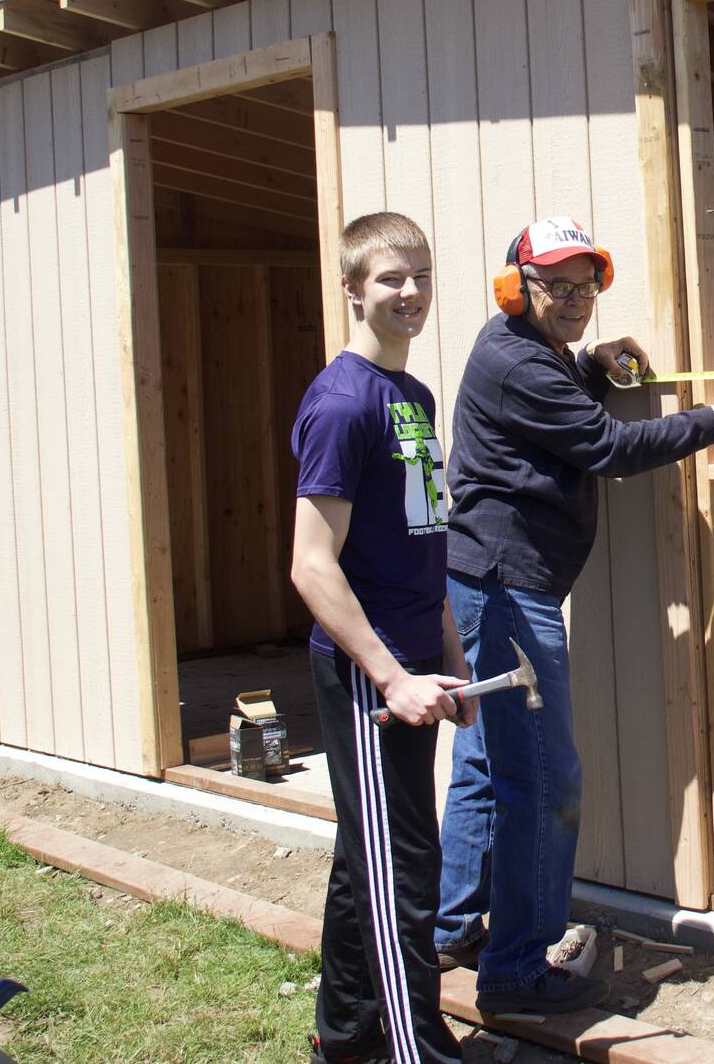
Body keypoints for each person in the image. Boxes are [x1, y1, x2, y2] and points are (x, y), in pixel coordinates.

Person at [435, 216, 714, 1016]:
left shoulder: (537, 352)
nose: (576, 299)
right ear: (515, 287)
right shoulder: (517, 360)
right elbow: (610, 448)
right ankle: (516, 971)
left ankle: (453, 926)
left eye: (587, 286)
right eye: (556, 285)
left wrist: (591, 362)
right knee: (547, 781)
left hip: (492, 582)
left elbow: (563, 400)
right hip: (506, 589)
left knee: (488, 761)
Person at [289, 212, 473, 1064]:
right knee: (402, 865)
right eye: (391, 277)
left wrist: (449, 651)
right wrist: (393, 675)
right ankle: (416, 1049)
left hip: (415, 656)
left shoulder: (415, 397)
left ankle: (346, 1033)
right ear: (352, 289)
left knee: (366, 851)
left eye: (421, 275)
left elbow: (421, 538)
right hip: (369, 673)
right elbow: (311, 564)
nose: (411, 292)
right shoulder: (343, 402)